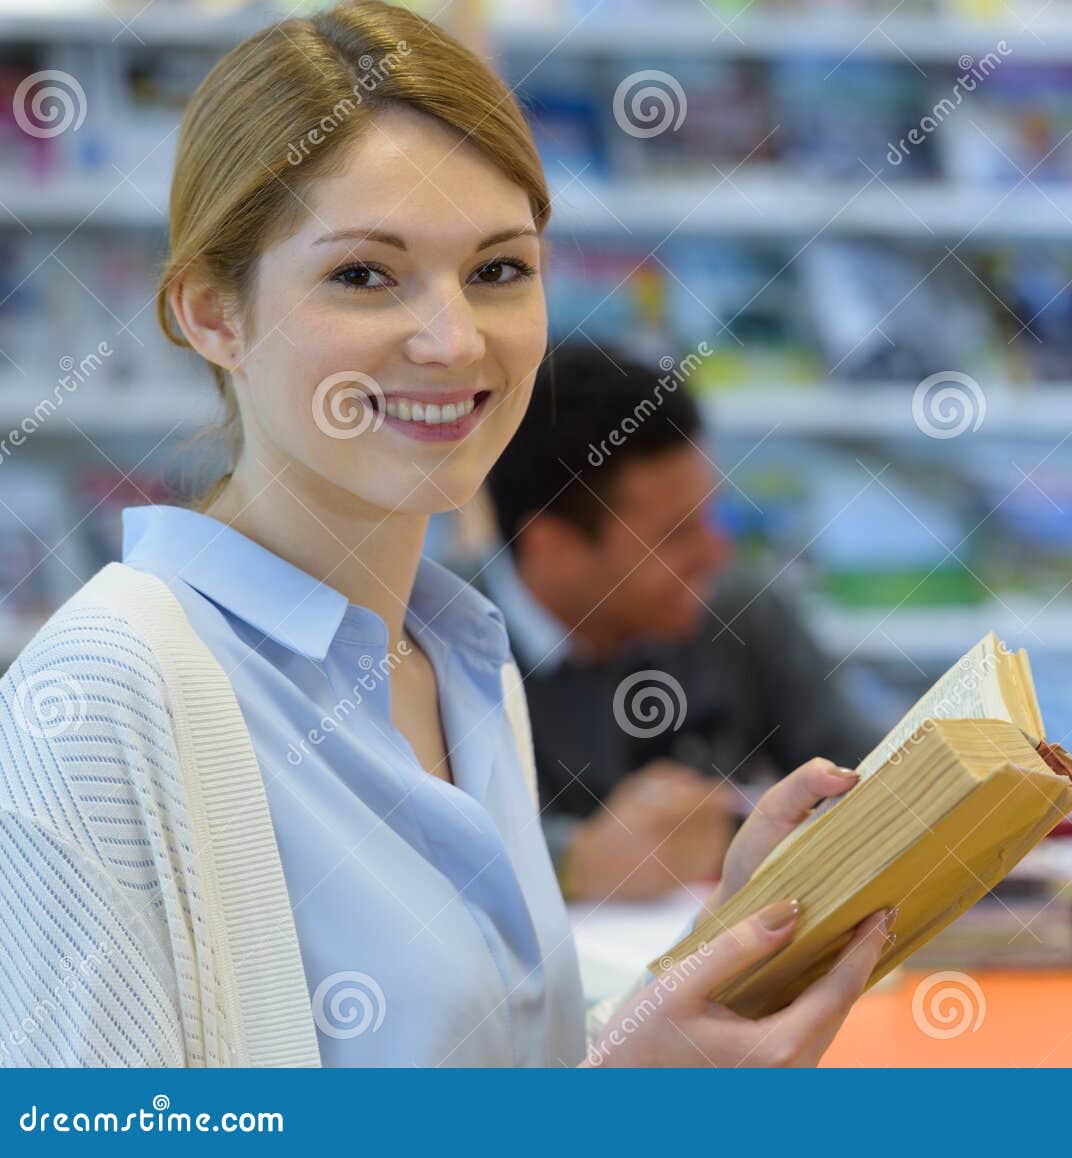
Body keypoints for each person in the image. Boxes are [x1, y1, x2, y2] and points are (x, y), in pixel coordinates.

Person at [0, 0, 891, 1067]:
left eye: (498, 270)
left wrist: (713, 964)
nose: (454, 339)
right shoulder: (102, 696)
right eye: (363, 274)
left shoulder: (459, 659)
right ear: (210, 313)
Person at [477, 345, 882, 901]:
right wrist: (573, 862)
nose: (716, 553)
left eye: (709, 516)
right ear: (553, 548)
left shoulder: (741, 614)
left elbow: (880, 783)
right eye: (675, 535)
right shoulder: (424, 646)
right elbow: (393, 862)